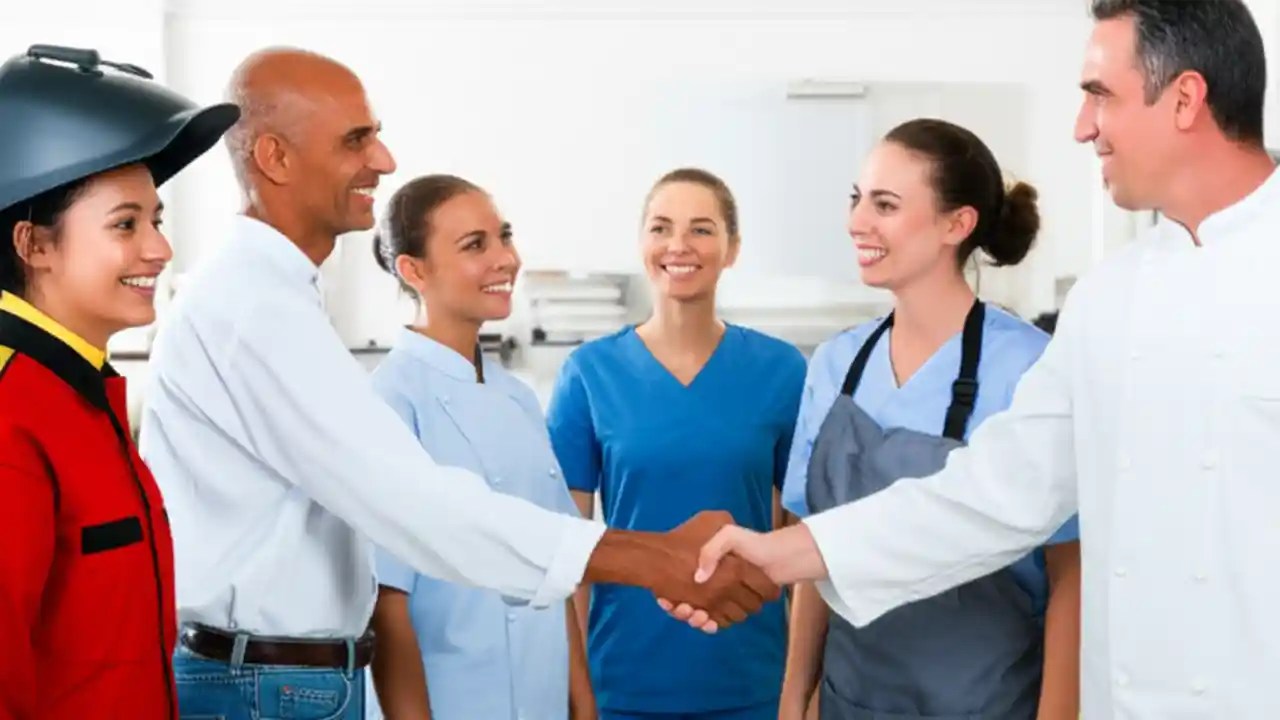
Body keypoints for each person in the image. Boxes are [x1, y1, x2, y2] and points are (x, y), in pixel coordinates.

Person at [137, 48, 773, 720]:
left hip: (299, 679)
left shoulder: (289, 301)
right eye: (357, 140)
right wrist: (655, 560)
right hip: (263, 687)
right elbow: (417, 508)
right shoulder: (254, 308)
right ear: (276, 158)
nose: (383, 160)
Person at [684, 1, 1280, 717]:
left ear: (1184, 98)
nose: (1082, 127)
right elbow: (991, 493)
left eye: (1099, 95)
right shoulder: (1108, 300)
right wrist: (783, 554)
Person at [774, 119, 1080, 720]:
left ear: (956, 224)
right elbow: (813, 557)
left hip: (988, 705)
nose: (857, 221)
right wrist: (793, 703)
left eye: (885, 204)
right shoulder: (835, 365)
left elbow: (1071, 570)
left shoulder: (1030, 367)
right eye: (857, 199)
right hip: (850, 703)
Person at [0, 45, 238, 719]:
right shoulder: (12, 416)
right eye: (125, 225)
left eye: (155, 219)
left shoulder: (81, 393)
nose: (160, 249)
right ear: (34, 245)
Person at [546, 168, 806, 720]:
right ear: (642, 244)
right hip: (624, 680)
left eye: (702, 229)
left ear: (732, 249)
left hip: (752, 677)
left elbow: (802, 542)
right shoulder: (589, 374)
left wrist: (799, 694)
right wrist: (578, 699)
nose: (678, 246)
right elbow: (563, 554)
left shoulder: (782, 372)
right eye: (661, 228)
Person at [363, 174, 595, 720]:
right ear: (413, 270)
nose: (505, 259)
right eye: (475, 245)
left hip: (540, 699)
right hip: (452, 700)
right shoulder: (390, 400)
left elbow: (554, 564)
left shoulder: (518, 398)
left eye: (504, 236)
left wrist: (583, 706)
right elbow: (386, 601)